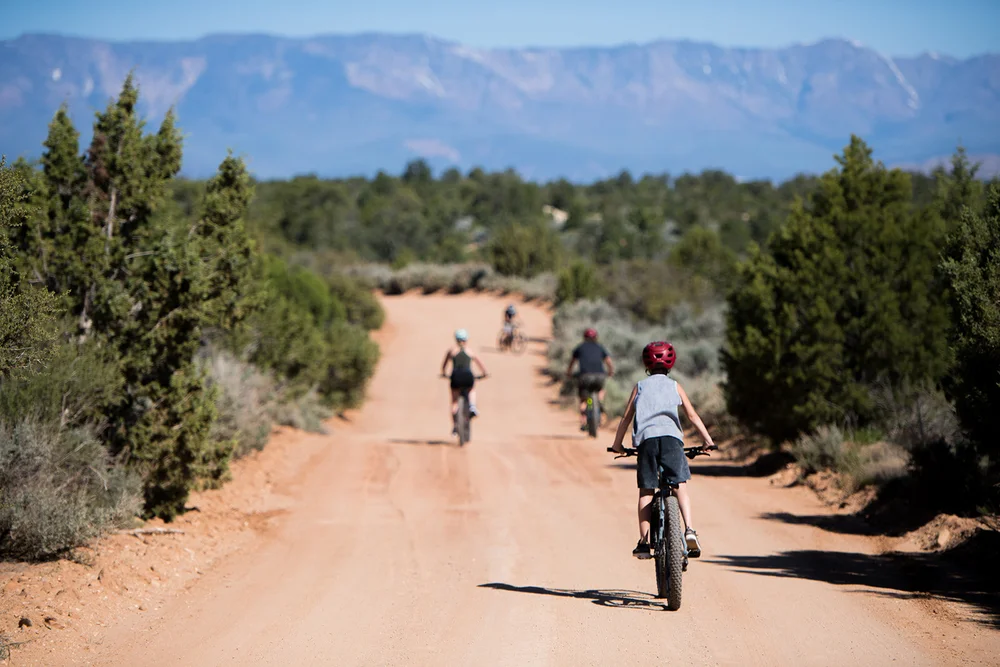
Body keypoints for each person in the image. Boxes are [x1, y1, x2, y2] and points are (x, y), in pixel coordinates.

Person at [609, 341, 716, 560]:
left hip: (647, 442)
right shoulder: (675, 386)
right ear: (671, 363)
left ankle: (643, 541)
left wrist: (617, 445)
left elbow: (626, 418)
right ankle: (689, 530)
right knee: (680, 486)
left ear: (646, 364)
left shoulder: (640, 387)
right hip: (671, 440)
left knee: (647, 490)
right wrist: (708, 441)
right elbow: (692, 416)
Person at [566, 328, 615, 431]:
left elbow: (572, 362)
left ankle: (584, 421)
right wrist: (610, 372)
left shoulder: (579, 348)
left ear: (584, 337)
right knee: (600, 390)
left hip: (584, 377)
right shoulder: (600, 347)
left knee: (584, 399)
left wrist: (569, 373)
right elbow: (608, 361)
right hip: (599, 376)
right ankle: (599, 402)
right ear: (596, 337)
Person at [441, 329, 489, 429]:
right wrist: (484, 373)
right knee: (471, 389)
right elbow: (480, 364)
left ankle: (455, 425)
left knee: (454, 402)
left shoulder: (451, 351)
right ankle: (472, 406)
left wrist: (444, 373)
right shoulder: (470, 351)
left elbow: (444, 366)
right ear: (466, 339)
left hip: (455, 376)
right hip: (468, 376)